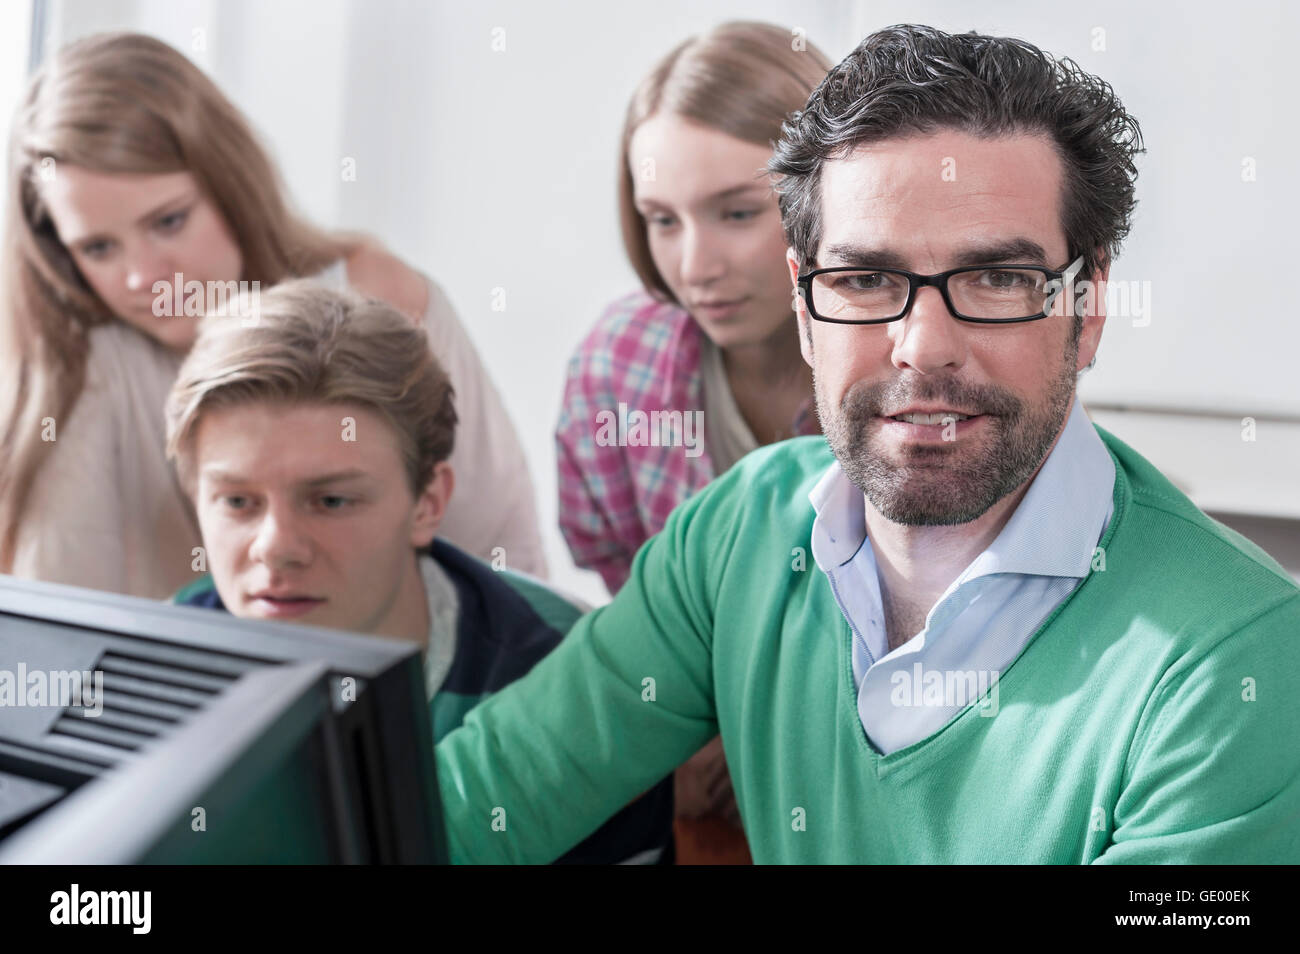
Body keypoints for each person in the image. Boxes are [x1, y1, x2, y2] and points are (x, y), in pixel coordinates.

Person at [436, 24, 1300, 863]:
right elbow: (478, 806)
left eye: (999, 278)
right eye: (864, 279)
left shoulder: (1235, 665)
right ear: (806, 306)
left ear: (1089, 306)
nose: (923, 346)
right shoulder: (735, 533)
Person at [0, 31, 546, 601]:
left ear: (230, 184)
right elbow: (63, 637)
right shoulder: (78, 373)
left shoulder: (383, 298)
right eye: (98, 249)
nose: (144, 278)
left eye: (168, 222)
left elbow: (505, 561)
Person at [165, 281, 673, 864]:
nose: (275, 549)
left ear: (428, 503)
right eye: (236, 502)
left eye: (330, 501)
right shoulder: (155, 658)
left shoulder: (569, 678)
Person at [555, 20, 830, 863]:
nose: (694, 263)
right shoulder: (617, 362)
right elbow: (629, 592)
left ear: (832, 190)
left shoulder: (913, 370)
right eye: (661, 220)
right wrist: (678, 724)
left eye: (738, 212)